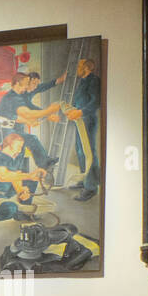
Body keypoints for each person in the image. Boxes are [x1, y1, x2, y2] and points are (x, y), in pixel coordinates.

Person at [0, 72, 61, 173]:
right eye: (27, 83)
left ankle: (22, 172)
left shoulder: (18, 96)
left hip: (6, 128)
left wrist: (29, 121)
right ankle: (39, 165)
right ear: (18, 84)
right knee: (26, 143)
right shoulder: (13, 98)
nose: (28, 86)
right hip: (2, 131)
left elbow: (15, 117)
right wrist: (49, 111)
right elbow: (27, 113)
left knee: (23, 147)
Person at [0, 133, 44, 225]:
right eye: (18, 146)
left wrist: (21, 191)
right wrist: (28, 175)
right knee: (10, 209)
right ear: (9, 144)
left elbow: (16, 176)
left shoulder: (12, 159)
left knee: (31, 181)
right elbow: (3, 176)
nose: (20, 149)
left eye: (21, 146)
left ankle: (22, 213)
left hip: (4, 191)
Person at [60, 59, 101, 201]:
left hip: (87, 120)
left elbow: (96, 101)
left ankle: (90, 188)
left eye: (79, 65)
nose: (77, 68)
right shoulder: (83, 81)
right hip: (79, 119)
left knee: (88, 152)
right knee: (80, 151)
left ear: (87, 67)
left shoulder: (94, 81)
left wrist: (81, 112)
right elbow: (80, 99)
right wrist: (71, 109)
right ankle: (85, 180)